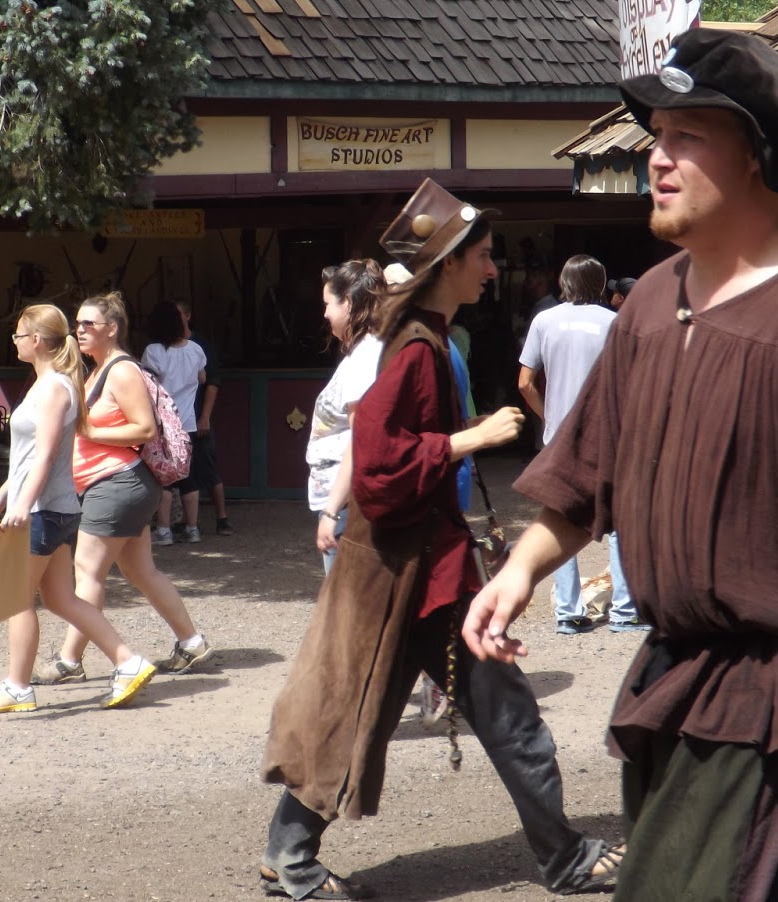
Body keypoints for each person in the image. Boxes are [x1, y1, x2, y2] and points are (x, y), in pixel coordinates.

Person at [463, 29, 778, 901]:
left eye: (687, 138)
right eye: (656, 137)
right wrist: (516, 573)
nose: (657, 160)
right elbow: (588, 472)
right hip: (678, 675)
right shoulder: (654, 301)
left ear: (756, 158)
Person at [258, 179, 621, 901]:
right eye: (483, 256)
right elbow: (381, 466)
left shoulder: (422, 340)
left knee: (356, 711)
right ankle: (564, 857)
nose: (493, 269)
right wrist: (470, 437)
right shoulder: (418, 348)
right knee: (500, 718)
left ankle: (288, 855)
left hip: (415, 577)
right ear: (449, 263)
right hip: (409, 579)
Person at [0, 305, 158, 713]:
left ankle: (17, 687)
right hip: (45, 507)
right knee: (59, 599)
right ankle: (128, 662)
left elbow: (47, 456)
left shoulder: (54, 387)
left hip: (43, 510)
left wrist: (20, 504)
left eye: (18, 335)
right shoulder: (47, 385)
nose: (14, 341)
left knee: (16, 598)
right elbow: (30, 456)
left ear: (36, 340)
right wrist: (2, 497)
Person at [34, 292, 213, 684]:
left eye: (89, 324)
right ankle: (192, 641)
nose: (79, 330)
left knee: (88, 572)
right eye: (77, 323)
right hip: (118, 485)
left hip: (116, 484)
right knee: (141, 571)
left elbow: (144, 428)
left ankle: (69, 660)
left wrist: (90, 430)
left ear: (111, 329)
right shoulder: (97, 370)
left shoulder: (121, 371)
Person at [517, 254, 645, 635]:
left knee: (560, 516)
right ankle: (624, 611)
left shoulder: (544, 320)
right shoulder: (616, 322)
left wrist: (549, 416)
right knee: (620, 518)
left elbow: (524, 382)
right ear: (602, 284)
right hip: (611, 432)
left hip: (559, 434)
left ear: (563, 282)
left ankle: (568, 613)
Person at [306, 260, 385, 576]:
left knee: (348, 611)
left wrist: (331, 510)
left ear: (348, 303)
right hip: (349, 501)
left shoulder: (363, 359)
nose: (324, 314)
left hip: (349, 506)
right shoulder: (364, 353)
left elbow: (361, 440)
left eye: (328, 304)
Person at [142, 301, 207, 545]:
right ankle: (192, 529)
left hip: (162, 424)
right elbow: (202, 378)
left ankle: (164, 530)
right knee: (189, 478)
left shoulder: (153, 351)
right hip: (187, 423)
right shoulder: (195, 350)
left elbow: (147, 385)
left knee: (164, 478)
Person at [175, 300, 232, 536]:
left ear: (188, 316)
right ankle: (186, 523)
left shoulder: (201, 346)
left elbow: (211, 383)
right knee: (179, 473)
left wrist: (205, 416)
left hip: (197, 416)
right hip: (176, 421)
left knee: (208, 468)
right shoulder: (163, 346)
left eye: (178, 314)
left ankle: (222, 518)